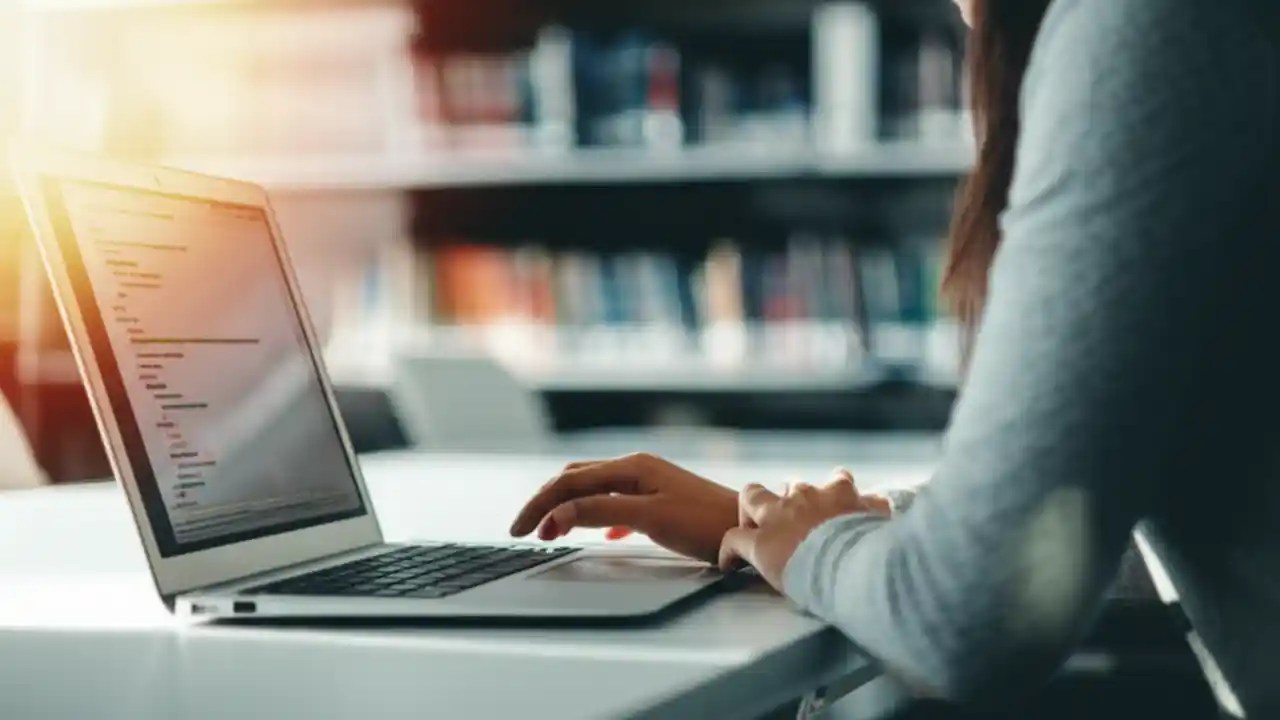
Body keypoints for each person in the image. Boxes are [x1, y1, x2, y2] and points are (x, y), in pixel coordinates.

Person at [511, 0, 1280, 715]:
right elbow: (1140, 505)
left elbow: (973, 619)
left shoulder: (1146, 31)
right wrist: (809, 529)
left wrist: (824, 550)